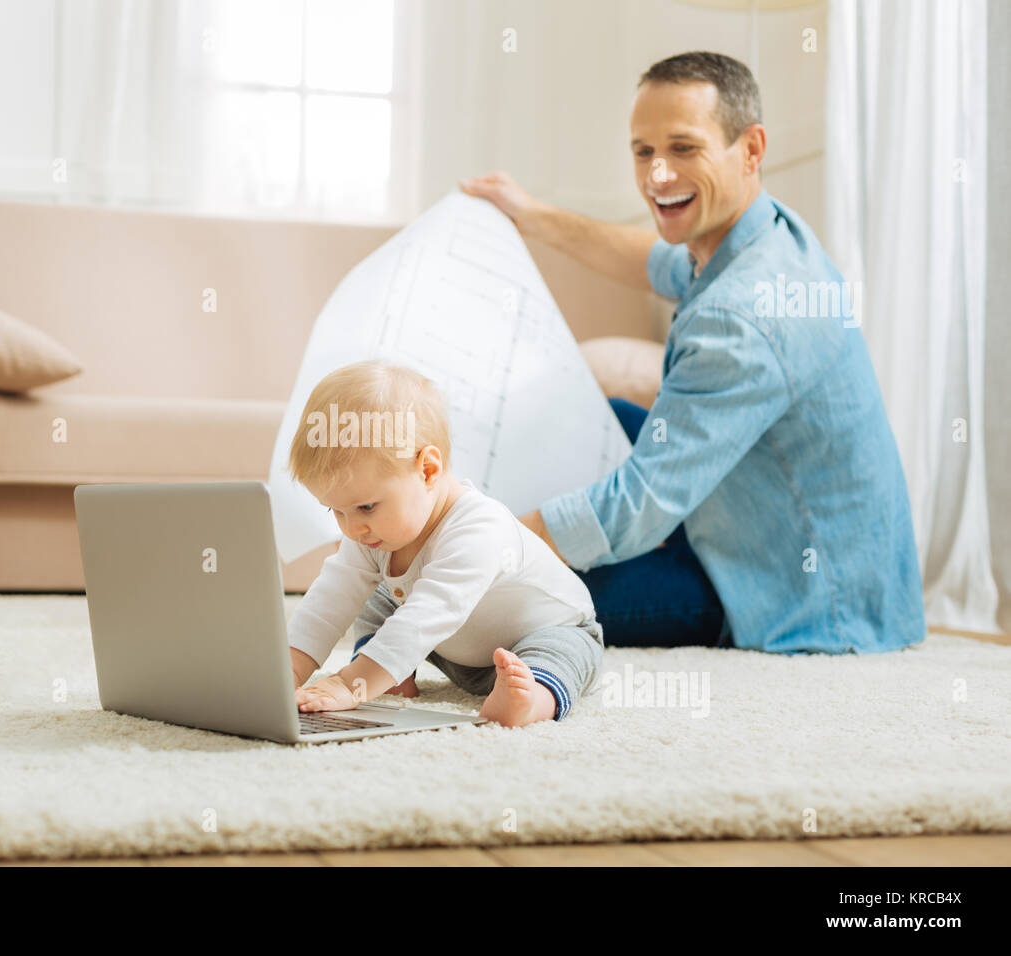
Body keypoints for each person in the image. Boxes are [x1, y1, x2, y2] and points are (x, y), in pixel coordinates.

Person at [461, 50, 925, 654]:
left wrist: (468, 552)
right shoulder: (754, 236)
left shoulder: (743, 315)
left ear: (751, 149)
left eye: (683, 148)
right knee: (592, 415)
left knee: (496, 608)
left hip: (794, 590)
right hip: (736, 512)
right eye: (643, 151)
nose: (657, 174)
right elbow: (642, 256)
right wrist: (532, 215)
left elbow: (641, 502)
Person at [284, 360, 604, 726]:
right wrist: (285, 670)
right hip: (450, 648)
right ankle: (390, 673)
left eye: (365, 506)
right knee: (375, 594)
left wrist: (350, 683)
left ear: (427, 470)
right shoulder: (372, 532)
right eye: (336, 512)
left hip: (545, 635)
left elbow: (427, 616)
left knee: (561, 656)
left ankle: (531, 702)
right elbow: (331, 598)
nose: (353, 527)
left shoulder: (479, 529)